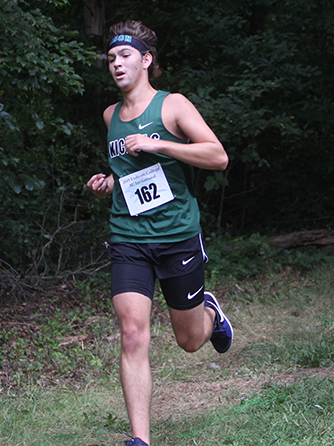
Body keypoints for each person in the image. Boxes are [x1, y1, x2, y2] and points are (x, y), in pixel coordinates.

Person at [86, 20, 233, 446]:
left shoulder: (173, 106)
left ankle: (211, 314)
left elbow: (217, 156)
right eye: (111, 58)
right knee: (132, 333)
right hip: (129, 239)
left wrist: (160, 144)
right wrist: (107, 185)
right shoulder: (111, 115)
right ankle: (140, 440)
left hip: (176, 237)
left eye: (125, 55)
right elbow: (131, 177)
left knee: (189, 341)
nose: (116, 64)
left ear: (146, 60)